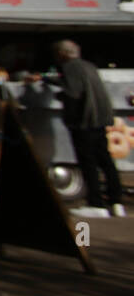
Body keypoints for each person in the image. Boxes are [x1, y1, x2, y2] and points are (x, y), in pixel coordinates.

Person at [25, 39, 125, 218]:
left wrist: (60, 98)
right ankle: (116, 202)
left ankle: (96, 204)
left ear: (62, 54)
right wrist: (45, 78)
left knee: (88, 162)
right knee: (106, 161)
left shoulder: (69, 67)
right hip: (100, 119)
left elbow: (73, 92)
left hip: (84, 121)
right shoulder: (88, 66)